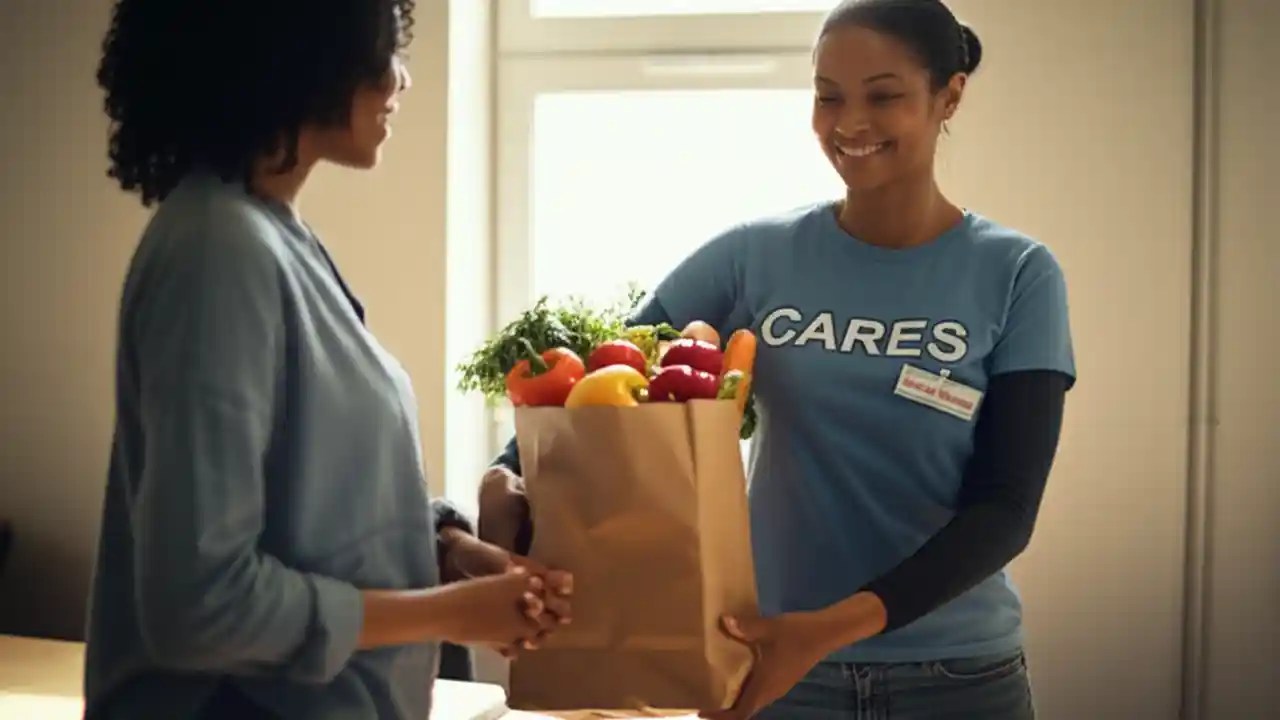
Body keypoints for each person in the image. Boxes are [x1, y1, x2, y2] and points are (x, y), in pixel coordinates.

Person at [479, 0, 1075, 718]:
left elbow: (1006, 509)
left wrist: (827, 630)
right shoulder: (755, 257)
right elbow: (607, 386)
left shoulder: (1018, 274)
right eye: (828, 97)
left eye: (883, 96)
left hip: (954, 677)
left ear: (949, 95)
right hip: (776, 669)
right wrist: (508, 471)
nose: (849, 123)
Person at [83, 2, 572, 718]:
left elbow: (313, 505)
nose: (399, 79)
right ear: (296, 60)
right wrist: (446, 613)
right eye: (378, 54)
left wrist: (447, 548)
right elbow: (201, 604)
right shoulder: (217, 253)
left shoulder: (272, 237)